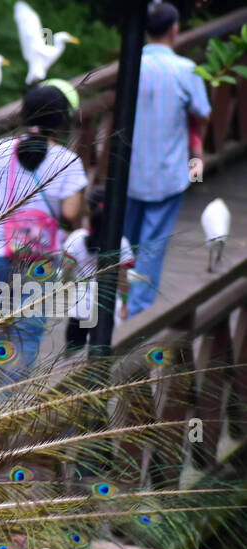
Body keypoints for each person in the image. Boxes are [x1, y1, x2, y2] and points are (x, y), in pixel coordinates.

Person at [0, 82, 86, 380]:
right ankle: (8, 400)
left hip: (1, 251)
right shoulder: (68, 161)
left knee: (2, 323)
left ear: (24, 114)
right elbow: (69, 213)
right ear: (61, 119)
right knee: (28, 327)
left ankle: (1, 386)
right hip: (40, 257)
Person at [124, 2, 212, 315]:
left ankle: (112, 303)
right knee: (152, 243)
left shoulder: (131, 63)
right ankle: (137, 309)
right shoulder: (185, 70)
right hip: (166, 170)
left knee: (125, 239)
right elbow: (202, 112)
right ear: (174, 28)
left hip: (129, 171)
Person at [62, 186, 136, 350]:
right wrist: (124, 304)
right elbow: (122, 280)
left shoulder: (76, 238)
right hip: (106, 308)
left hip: (79, 307)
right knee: (101, 353)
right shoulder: (121, 243)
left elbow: (65, 272)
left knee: (73, 352)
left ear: (88, 208)